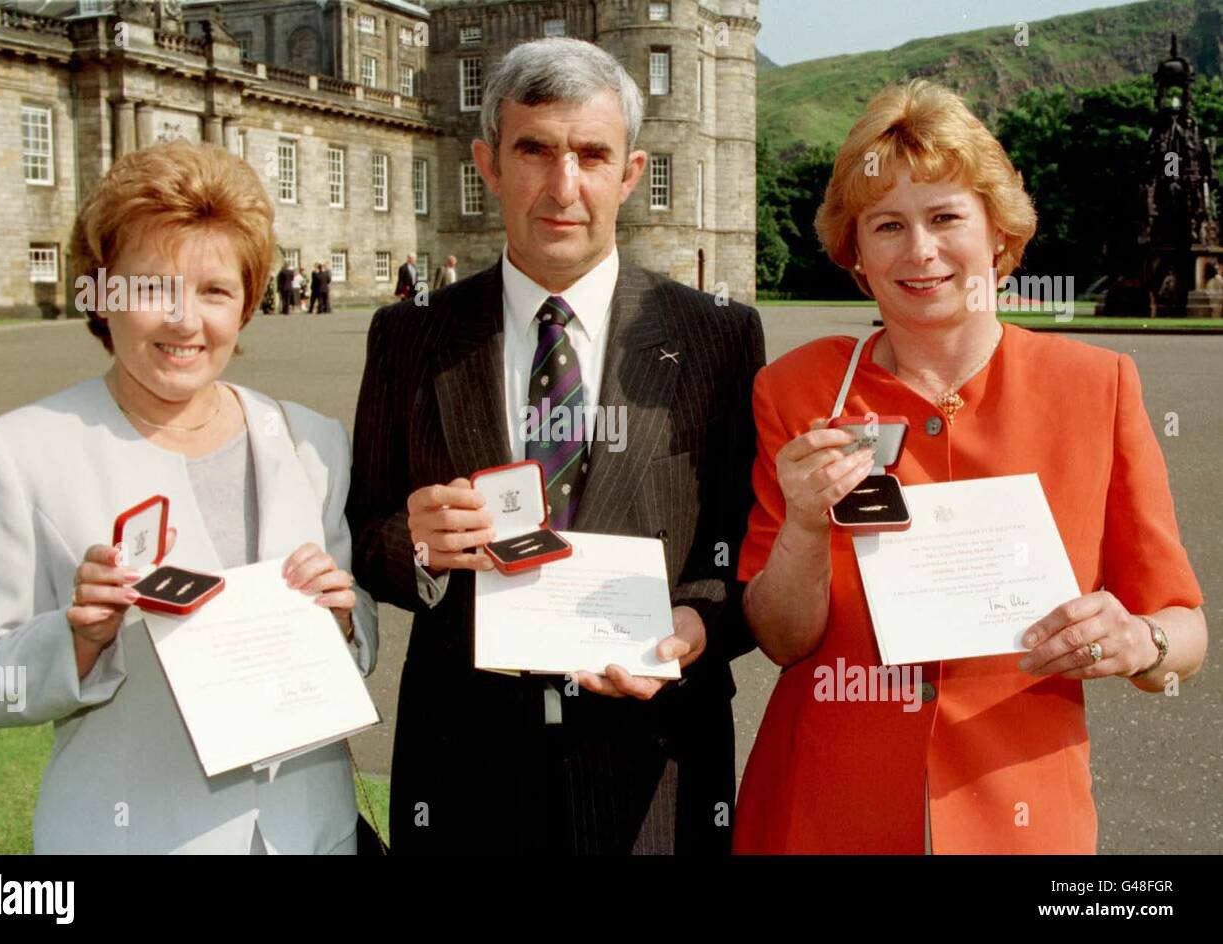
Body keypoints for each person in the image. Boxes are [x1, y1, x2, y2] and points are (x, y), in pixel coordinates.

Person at [733, 80, 1207, 854]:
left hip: (1022, 819)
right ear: (856, 256)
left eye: (946, 217)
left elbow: (1184, 629)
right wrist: (806, 527)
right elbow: (782, 639)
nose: (919, 252)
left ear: (998, 235)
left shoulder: (1097, 384)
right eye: (887, 226)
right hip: (823, 811)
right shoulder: (799, 390)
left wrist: (1139, 642)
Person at [346, 37, 764, 855]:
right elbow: (365, 533)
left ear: (630, 172)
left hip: (655, 771)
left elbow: (748, 550)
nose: (562, 185)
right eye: (533, 149)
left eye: (591, 154)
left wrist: (695, 623)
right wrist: (417, 546)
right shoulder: (409, 336)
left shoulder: (717, 337)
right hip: (463, 769)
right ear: (488, 165)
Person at [0, 140, 378, 854]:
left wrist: (342, 620)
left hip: (315, 834)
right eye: (151, 288)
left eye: (214, 291)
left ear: (246, 302)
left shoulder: (309, 440)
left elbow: (354, 633)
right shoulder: (19, 451)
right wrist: (76, 640)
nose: (183, 321)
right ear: (103, 293)